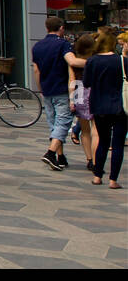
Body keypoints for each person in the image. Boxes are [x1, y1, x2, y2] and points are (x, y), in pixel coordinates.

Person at [32, 16, 85, 171]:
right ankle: (50, 153)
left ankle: (60, 157)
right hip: (61, 87)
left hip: (47, 88)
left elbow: (36, 69)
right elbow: (73, 62)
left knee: (53, 122)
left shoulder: (37, 46)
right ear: (61, 28)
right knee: (63, 122)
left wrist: (40, 87)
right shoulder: (63, 44)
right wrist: (93, 61)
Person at [82, 30, 127, 188]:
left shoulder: (92, 61)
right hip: (120, 106)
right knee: (118, 144)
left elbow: (86, 83)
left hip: (99, 106)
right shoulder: (122, 61)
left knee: (102, 141)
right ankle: (113, 180)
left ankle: (97, 176)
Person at [69, 33, 98, 171]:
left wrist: (71, 100)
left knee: (85, 130)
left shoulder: (74, 62)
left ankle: (89, 159)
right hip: (95, 91)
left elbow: (71, 81)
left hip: (79, 91)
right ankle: (96, 158)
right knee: (96, 130)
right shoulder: (95, 60)